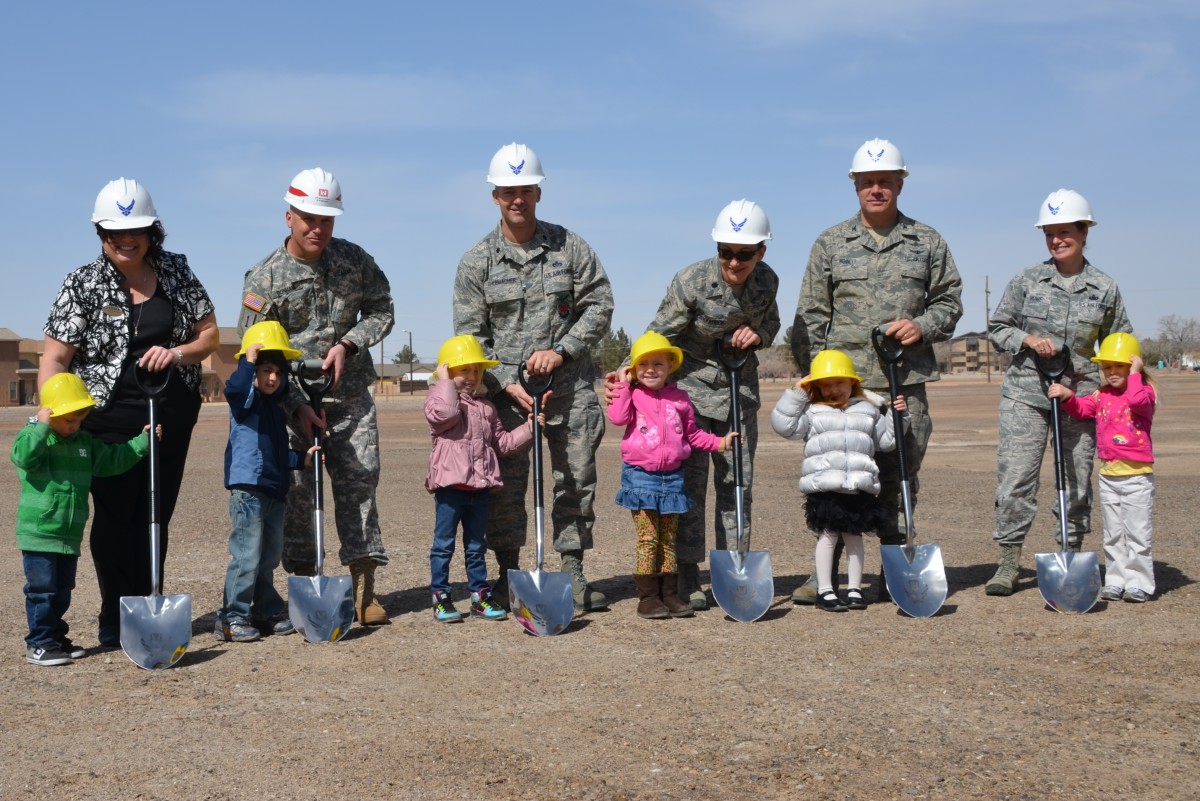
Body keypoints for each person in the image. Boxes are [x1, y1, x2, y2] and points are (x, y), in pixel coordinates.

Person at [40, 178, 219, 647]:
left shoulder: (176, 270)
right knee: (115, 518)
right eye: (114, 230)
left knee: (155, 515)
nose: (126, 238)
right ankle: (114, 612)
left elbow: (209, 336)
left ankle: (146, 606)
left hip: (169, 417)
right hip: (105, 421)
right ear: (100, 232)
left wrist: (177, 354)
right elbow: (55, 359)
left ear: (151, 230)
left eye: (136, 228)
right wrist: (52, 414)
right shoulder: (82, 282)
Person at [791, 138, 963, 603]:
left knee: (900, 472)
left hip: (903, 381)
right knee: (835, 475)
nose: (876, 189)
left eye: (885, 181)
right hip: (844, 388)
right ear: (855, 186)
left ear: (900, 183)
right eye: (867, 182)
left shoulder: (927, 241)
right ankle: (824, 573)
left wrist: (923, 325)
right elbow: (809, 315)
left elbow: (950, 302)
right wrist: (814, 382)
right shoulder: (830, 243)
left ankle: (894, 566)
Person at [453, 143, 614, 612]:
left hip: (569, 390)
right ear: (495, 196)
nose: (517, 199)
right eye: (508, 191)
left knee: (576, 478)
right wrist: (505, 381)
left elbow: (599, 304)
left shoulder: (570, 248)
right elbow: (470, 336)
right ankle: (508, 573)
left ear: (538, 192)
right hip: (505, 399)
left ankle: (572, 570)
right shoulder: (476, 263)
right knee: (503, 487)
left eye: (525, 190)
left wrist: (562, 351)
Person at [604, 199, 780, 611]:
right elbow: (657, 334)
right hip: (690, 395)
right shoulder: (691, 282)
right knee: (690, 489)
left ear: (761, 252)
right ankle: (686, 575)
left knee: (738, 484)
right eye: (725, 252)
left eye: (744, 254)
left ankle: (733, 563)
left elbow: (772, 322)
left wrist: (759, 335)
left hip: (739, 393)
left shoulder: (767, 281)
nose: (733, 262)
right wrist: (626, 373)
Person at [240, 167, 395, 625]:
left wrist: (349, 344)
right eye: (308, 217)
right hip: (290, 405)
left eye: (326, 219)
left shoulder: (354, 260)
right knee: (298, 493)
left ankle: (364, 592)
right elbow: (257, 352)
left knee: (360, 485)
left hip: (348, 400)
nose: (317, 228)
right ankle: (307, 587)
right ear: (288, 217)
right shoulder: (265, 277)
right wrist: (292, 402)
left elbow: (383, 308)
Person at [986, 189, 1133, 595]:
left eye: (1065, 231)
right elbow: (998, 327)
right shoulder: (1027, 280)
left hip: (1080, 400)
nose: (1056, 240)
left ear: (1084, 233)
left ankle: (1071, 552)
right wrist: (1027, 339)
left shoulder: (1105, 288)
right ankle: (1008, 562)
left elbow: (1120, 343)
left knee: (1077, 479)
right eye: (1049, 233)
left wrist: (1120, 391)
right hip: (1026, 396)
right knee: (1016, 477)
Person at [12, 373, 152, 665]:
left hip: (68, 535)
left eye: (79, 419)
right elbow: (23, 457)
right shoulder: (35, 437)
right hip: (40, 533)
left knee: (62, 590)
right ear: (50, 413)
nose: (74, 426)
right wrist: (40, 425)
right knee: (42, 590)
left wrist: (142, 443)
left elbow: (114, 459)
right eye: (68, 420)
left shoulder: (84, 442)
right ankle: (39, 643)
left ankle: (55, 637)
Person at [607, 332, 738, 619]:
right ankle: (648, 597)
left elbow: (692, 435)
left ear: (670, 367)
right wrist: (622, 383)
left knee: (668, 540)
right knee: (648, 539)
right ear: (634, 369)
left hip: (673, 479)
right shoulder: (634, 395)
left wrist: (720, 442)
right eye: (643, 365)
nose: (650, 370)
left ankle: (669, 594)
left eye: (658, 364)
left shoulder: (680, 399)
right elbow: (617, 418)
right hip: (640, 478)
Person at [771, 351, 906, 611]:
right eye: (826, 385)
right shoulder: (812, 412)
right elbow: (784, 426)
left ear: (853, 383)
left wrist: (898, 417)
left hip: (859, 486)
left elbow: (887, 442)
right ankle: (825, 591)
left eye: (840, 383)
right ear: (816, 388)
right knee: (828, 536)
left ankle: (854, 590)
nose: (834, 390)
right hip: (826, 488)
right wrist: (797, 393)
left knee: (855, 537)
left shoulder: (868, 410)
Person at [424, 335, 540, 623]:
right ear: (447, 371)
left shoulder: (487, 408)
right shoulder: (438, 400)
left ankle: (479, 596)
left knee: (476, 545)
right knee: (443, 545)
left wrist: (528, 428)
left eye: (477, 371)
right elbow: (445, 414)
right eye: (464, 370)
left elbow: (501, 444)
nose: (472, 377)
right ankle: (441, 597)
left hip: (480, 489)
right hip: (451, 489)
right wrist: (444, 382)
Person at [217, 322, 319, 643]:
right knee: (247, 556)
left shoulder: (276, 410)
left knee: (268, 556)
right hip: (248, 490)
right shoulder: (245, 404)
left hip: (275, 491)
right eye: (264, 370)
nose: (272, 377)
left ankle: (265, 610)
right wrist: (247, 362)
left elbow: (276, 453)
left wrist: (300, 459)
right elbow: (234, 389)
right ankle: (231, 616)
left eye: (277, 372)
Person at [1049, 333, 1157, 603]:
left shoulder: (1144, 391)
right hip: (1109, 475)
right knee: (1113, 534)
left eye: (1119, 366)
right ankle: (1116, 581)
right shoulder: (1102, 395)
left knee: (1137, 533)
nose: (1112, 372)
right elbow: (1083, 410)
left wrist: (1135, 374)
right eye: (1107, 367)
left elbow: (1137, 402)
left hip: (1136, 478)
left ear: (1133, 366)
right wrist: (1067, 396)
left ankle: (1139, 583)